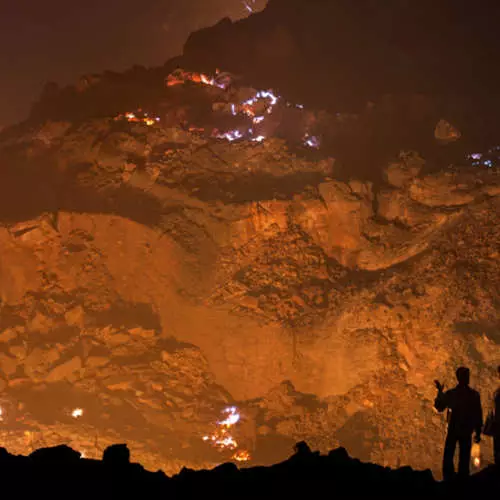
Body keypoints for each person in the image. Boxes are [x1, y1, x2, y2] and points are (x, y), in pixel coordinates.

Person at [434, 367, 483, 480]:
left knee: (449, 456)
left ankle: (449, 480)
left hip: (453, 430)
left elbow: (439, 407)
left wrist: (439, 393)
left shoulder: (452, 394)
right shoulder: (474, 395)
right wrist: (478, 431)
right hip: (466, 431)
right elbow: (478, 415)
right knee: (464, 457)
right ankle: (462, 481)